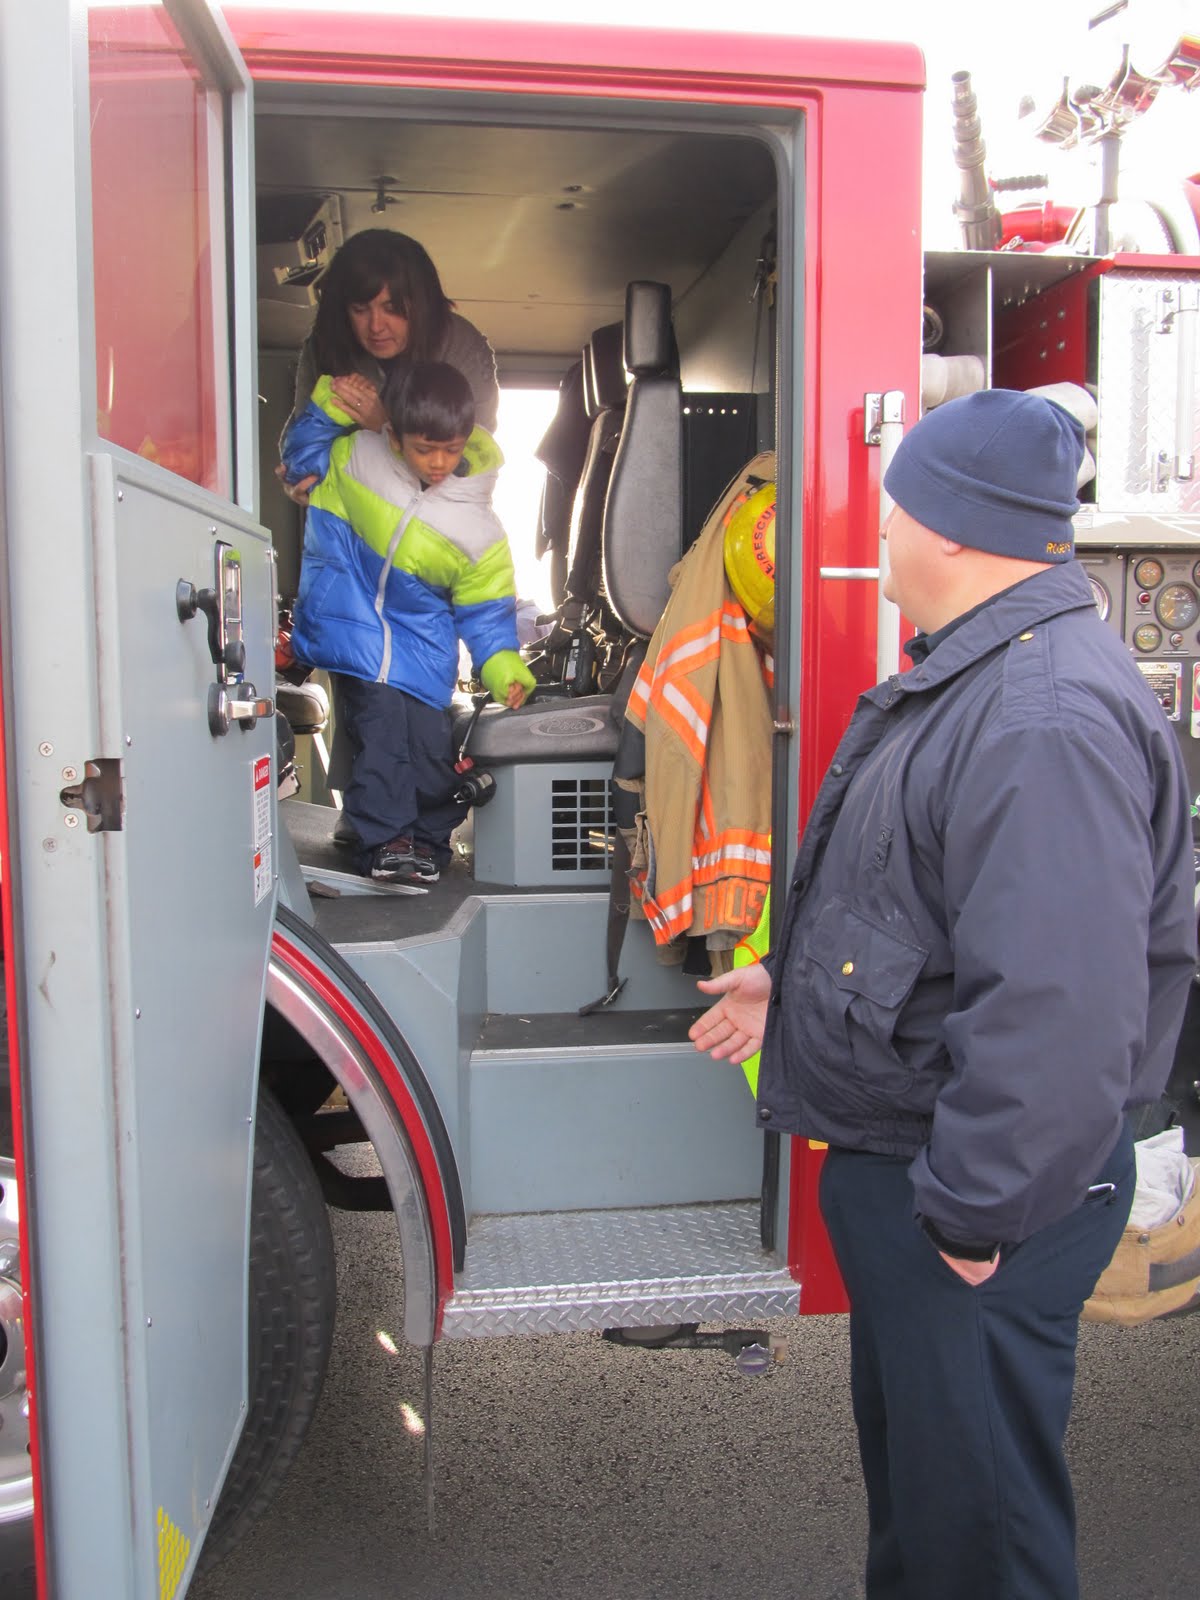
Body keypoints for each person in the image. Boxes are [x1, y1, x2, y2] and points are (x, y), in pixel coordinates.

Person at [688, 389, 1197, 1600]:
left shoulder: (1041, 718)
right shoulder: (990, 681)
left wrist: (974, 1216)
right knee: (933, 1513)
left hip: (975, 1206)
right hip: (943, 1181)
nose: (882, 533)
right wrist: (791, 986)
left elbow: (1060, 1014)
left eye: (896, 507)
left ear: (958, 529)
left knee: (983, 1543)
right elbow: (930, 905)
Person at [282, 359, 534, 884]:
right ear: (393, 435)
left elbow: (487, 608)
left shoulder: (477, 525)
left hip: (425, 653)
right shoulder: (356, 460)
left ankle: (427, 844)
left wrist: (502, 661)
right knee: (383, 739)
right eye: (425, 448)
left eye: (451, 448)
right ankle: (386, 842)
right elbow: (300, 457)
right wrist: (331, 401)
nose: (439, 462)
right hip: (355, 635)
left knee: (429, 752)